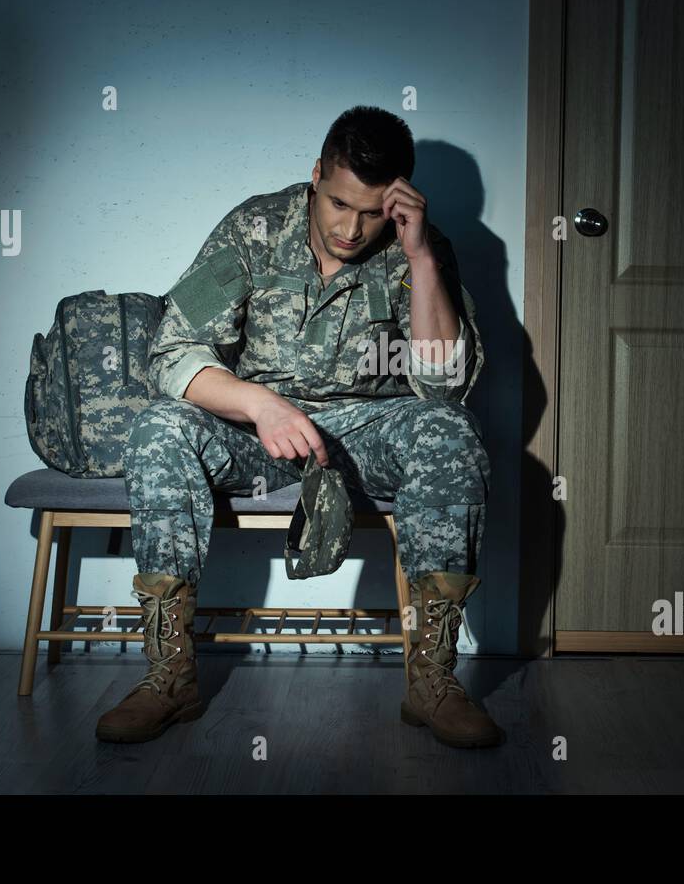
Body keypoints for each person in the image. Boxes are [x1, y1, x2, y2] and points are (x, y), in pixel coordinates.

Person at [94, 105, 501, 749]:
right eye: (339, 203)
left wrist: (420, 257)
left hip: (367, 431)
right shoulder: (254, 229)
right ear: (316, 174)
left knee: (450, 435)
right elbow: (174, 352)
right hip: (259, 430)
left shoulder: (416, 245)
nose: (351, 227)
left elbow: (446, 386)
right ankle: (169, 676)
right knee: (159, 430)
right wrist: (259, 404)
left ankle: (433, 681)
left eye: (372, 213)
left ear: (397, 202)